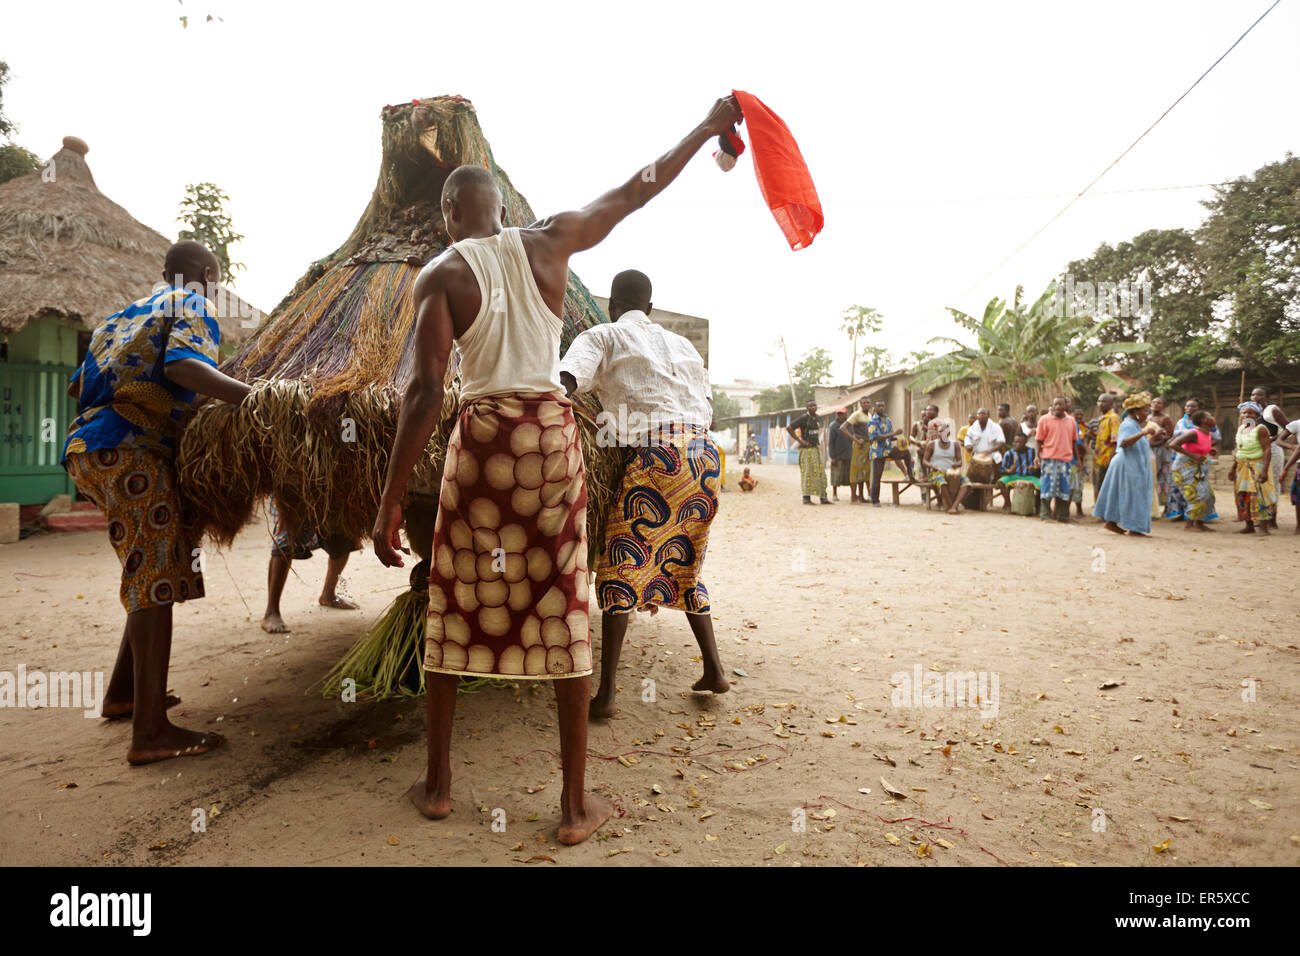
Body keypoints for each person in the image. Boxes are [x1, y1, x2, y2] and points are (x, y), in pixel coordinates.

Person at [372, 95, 744, 844]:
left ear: (448, 215)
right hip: (547, 438)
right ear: (502, 206)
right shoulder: (550, 243)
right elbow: (638, 188)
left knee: (454, 598)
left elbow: (423, 394)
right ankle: (575, 805)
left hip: (480, 440)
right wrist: (705, 128)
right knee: (565, 602)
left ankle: (440, 785)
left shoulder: (440, 275)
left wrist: (386, 504)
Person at [62, 240, 251, 764]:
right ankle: (150, 733)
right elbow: (183, 370)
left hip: (89, 450)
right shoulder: (194, 305)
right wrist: (256, 399)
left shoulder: (118, 318)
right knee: (155, 576)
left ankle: (124, 694)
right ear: (208, 275)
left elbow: (80, 389)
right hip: (132, 452)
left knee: (148, 567)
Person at [561, 268, 728, 720]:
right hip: (706, 458)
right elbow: (705, 410)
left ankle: (607, 694)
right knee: (684, 561)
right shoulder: (685, 346)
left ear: (612, 305)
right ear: (650, 308)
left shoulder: (603, 334)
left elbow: (566, 382)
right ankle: (713, 670)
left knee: (618, 566)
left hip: (660, 458)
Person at [260, 500, 359, 633]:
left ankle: (328, 595)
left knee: (343, 535)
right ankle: (271, 612)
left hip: (332, 491)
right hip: (293, 487)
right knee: (287, 536)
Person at [1093, 393, 1154, 536]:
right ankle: (1134, 528)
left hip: (1132, 464)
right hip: (1127, 465)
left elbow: (1139, 444)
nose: (1147, 413)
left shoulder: (1135, 426)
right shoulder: (1127, 424)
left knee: (1121, 494)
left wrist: (1152, 436)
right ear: (1135, 411)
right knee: (1133, 495)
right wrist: (1144, 433)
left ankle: (1112, 523)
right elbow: (1124, 443)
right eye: (1144, 410)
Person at [1166, 398, 1222, 521]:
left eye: (1193, 406)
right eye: (1210, 417)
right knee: (1196, 494)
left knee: (1207, 495)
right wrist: (1193, 455)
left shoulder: (1207, 433)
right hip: (1184, 467)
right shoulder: (1193, 432)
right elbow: (1173, 444)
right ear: (1203, 420)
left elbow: (1201, 445)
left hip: (1197, 467)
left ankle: (1199, 522)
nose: (1213, 418)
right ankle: (1191, 524)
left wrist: (1209, 450)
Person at [1229, 401, 1275, 536]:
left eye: (1251, 412)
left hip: (1257, 465)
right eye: (1244, 412)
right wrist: (1233, 468)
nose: (1247, 415)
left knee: (1261, 496)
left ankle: (1264, 527)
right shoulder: (1240, 429)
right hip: (1242, 467)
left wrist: (1265, 470)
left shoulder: (1260, 429)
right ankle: (1249, 525)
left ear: (1256, 415)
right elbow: (1239, 450)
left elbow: (1267, 449)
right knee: (1244, 496)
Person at [1036, 396, 1079, 523]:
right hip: (1048, 459)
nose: (1059, 407)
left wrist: (1078, 460)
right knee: (1047, 487)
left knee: (1065, 488)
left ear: (1066, 406)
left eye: (1061, 404)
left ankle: (1063, 516)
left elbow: (1074, 441)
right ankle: (1045, 515)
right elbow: (1038, 440)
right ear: (1053, 405)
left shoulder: (1071, 420)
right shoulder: (1044, 419)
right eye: (1056, 404)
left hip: (1065, 460)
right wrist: (1037, 456)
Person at [866, 400, 915, 505]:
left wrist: (897, 437)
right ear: (875, 408)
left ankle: (910, 475)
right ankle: (875, 500)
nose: (881, 408)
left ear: (885, 407)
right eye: (879, 406)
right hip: (877, 452)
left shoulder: (888, 420)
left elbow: (890, 436)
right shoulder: (872, 421)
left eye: (882, 406)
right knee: (877, 476)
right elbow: (875, 437)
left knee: (906, 452)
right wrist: (893, 433)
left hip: (888, 449)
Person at [922, 418, 970, 514]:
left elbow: (960, 461)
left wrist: (955, 464)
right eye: (940, 432)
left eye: (944, 432)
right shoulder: (932, 445)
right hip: (936, 473)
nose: (942, 434)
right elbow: (924, 461)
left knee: (966, 483)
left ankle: (954, 506)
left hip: (950, 472)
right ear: (937, 433)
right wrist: (932, 466)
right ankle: (951, 506)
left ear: (948, 433)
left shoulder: (955, 444)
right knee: (942, 482)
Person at [787, 400, 830, 505]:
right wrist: (800, 441)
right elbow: (789, 428)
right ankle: (806, 498)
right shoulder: (803, 418)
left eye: (814, 405)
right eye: (810, 406)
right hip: (806, 450)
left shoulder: (818, 418)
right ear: (807, 408)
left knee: (820, 473)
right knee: (807, 473)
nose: (813, 407)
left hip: (815, 449)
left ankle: (823, 498)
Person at [997, 431, 1039, 512]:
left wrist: (1034, 468)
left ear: (1025, 442)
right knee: (1001, 482)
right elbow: (1002, 469)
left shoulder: (1033, 452)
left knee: (1042, 485)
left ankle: (1038, 505)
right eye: (1015, 442)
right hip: (1014, 476)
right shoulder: (1009, 454)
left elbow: (1038, 466)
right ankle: (1008, 504)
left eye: (1020, 442)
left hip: (1029, 477)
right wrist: (1009, 471)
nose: (1017, 444)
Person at [963, 407, 1006, 482]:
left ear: (988, 416)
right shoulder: (973, 428)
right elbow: (967, 439)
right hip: (978, 454)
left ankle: (996, 479)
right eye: (979, 414)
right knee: (971, 472)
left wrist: (990, 451)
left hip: (992, 453)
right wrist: (968, 446)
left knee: (998, 458)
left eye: (983, 414)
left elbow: (1001, 442)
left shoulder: (995, 426)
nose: (981, 415)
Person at [1148, 397, 1175, 517]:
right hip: (1149, 449)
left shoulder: (1165, 418)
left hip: (1162, 451)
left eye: (1159, 403)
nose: (1156, 404)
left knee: (1164, 478)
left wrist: (1156, 442)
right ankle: (1153, 507)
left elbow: (1169, 435)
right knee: (1151, 477)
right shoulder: (1148, 418)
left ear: (1162, 406)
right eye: (1154, 402)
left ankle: (1166, 507)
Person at [845, 397, 873, 504]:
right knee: (856, 470)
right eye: (864, 403)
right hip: (859, 446)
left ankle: (861, 496)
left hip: (868, 445)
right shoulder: (856, 414)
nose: (866, 404)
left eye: (868, 402)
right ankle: (853, 497)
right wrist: (856, 440)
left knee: (864, 470)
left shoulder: (870, 415)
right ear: (860, 404)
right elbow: (843, 428)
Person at [1093, 394, 1121, 501]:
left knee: (1107, 487)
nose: (1100, 403)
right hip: (1098, 458)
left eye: (1104, 401)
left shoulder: (1113, 419)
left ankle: (1107, 514)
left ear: (1111, 404)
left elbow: (1116, 441)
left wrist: (1111, 459)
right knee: (1098, 485)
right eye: (1099, 401)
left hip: (1107, 459)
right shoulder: (1102, 419)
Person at [827, 407, 853, 501]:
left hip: (849, 453)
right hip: (838, 455)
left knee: (851, 476)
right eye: (839, 414)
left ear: (846, 414)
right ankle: (834, 494)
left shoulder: (850, 425)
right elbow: (831, 442)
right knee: (836, 475)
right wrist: (832, 456)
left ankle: (853, 494)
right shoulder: (833, 426)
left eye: (842, 414)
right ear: (836, 415)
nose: (841, 416)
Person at [1070, 406, 1088, 517]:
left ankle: (1079, 510)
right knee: (1074, 484)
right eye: (1077, 414)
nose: (1079, 416)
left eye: (1081, 414)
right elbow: (1078, 444)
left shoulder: (1083, 427)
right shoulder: (1073, 426)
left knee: (1078, 484)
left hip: (1079, 460)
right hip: (1072, 460)